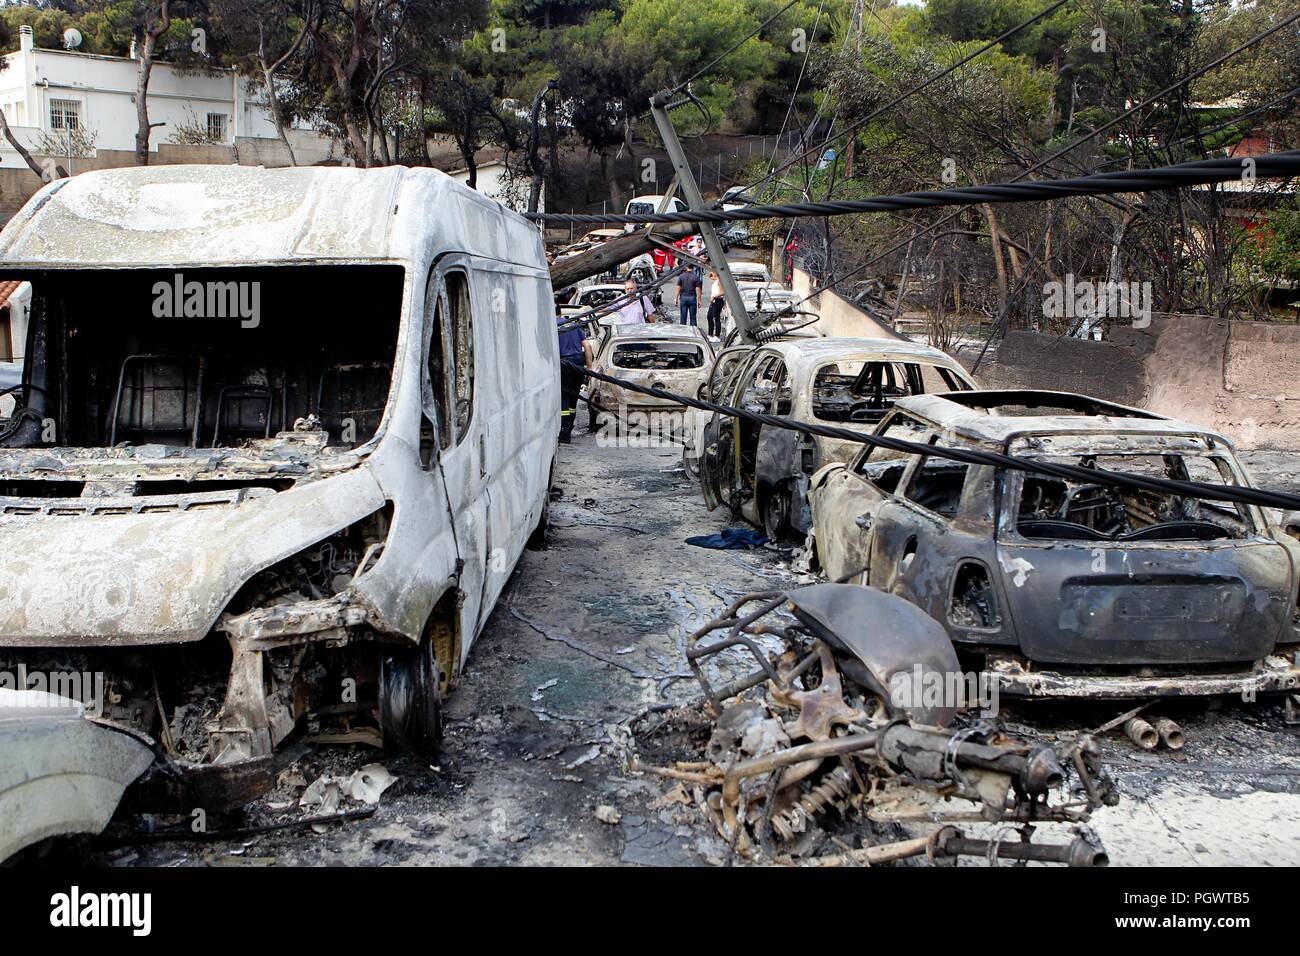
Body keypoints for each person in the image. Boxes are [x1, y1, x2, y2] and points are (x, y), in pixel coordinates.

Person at [556, 314, 590, 443]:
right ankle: (569, 428)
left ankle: (564, 434)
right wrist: (589, 368)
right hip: (578, 363)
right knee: (573, 397)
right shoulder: (573, 325)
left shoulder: (553, 326)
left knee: (563, 397)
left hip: (563, 363)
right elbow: (587, 347)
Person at [705, 270, 725, 338]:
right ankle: (710, 333)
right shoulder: (716, 280)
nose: (711, 273)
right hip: (713, 301)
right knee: (709, 316)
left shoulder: (719, 281)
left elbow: (722, 292)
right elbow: (710, 276)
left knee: (716, 318)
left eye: (712, 272)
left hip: (718, 300)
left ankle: (717, 335)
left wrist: (714, 296)